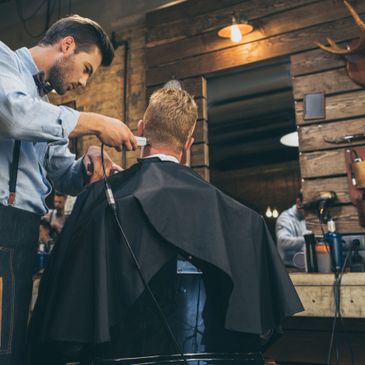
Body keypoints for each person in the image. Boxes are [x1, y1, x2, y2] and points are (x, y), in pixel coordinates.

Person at [28, 87, 303, 364]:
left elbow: (59, 326)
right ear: (188, 145)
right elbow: (262, 329)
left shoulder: (100, 201)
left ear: (140, 129)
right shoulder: (246, 221)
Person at [0, 15, 137, 365]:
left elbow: (62, 175)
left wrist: (88, 165)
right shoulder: (3, 62)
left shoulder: (46, 109)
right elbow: (13, 115)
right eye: (87, 69)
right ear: (67, 45)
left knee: (12, 346)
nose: (84, 83)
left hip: (22, 231)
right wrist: (94, 121)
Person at [275, 193, 307, 269]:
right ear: (299, 202)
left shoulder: (308, 218)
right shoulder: (285, 218)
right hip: (290, 269)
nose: (311, 211)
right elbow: (282, 241)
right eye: (308, 207)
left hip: (305, 267)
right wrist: (308, 239)